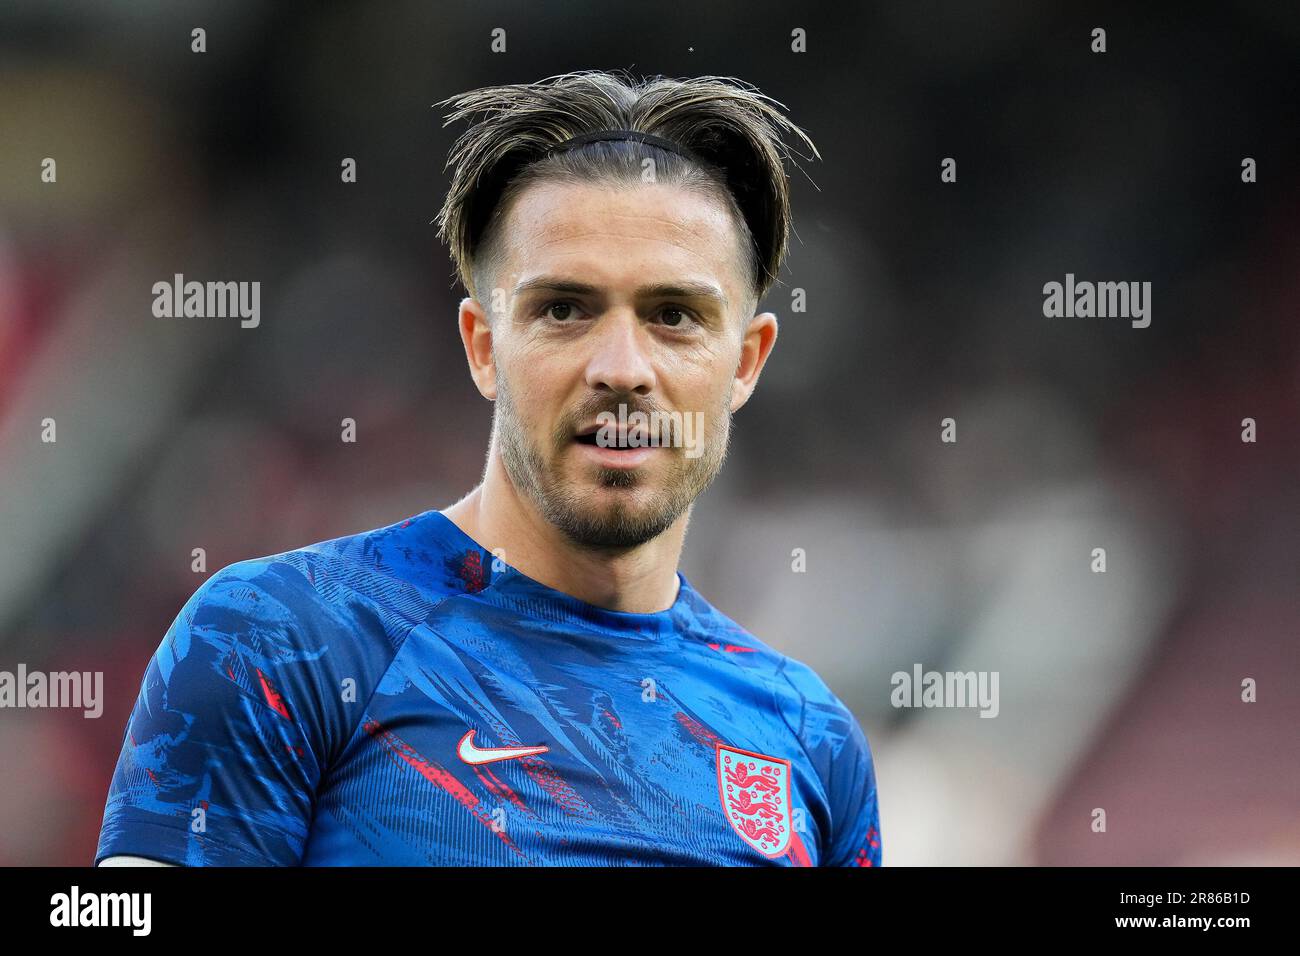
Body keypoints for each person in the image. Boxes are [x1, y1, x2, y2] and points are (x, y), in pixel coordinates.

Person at [96, 69, 881, 866]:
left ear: (746, 362)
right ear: (483, 346)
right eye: (563, 310)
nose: (621, 367)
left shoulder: (809, 741)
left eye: (674, 316)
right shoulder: (279, 640)